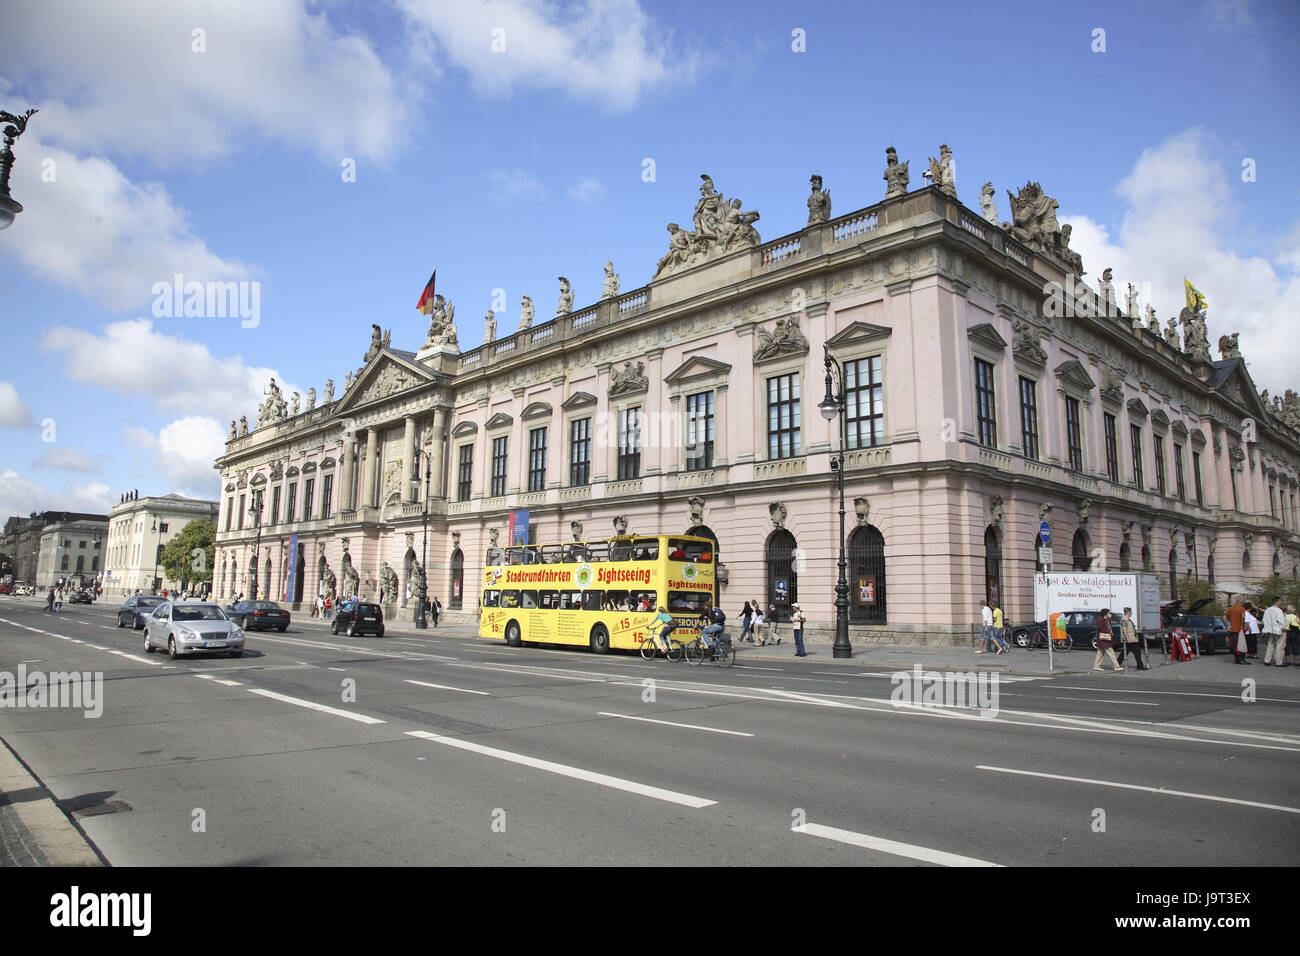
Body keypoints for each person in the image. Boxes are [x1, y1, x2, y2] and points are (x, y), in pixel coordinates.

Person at [1261, 596, 1287, 667]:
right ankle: (1278, 661)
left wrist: (1267, 628)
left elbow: (1264, 620)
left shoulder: (1268, 610)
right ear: (1277, 601)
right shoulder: (1278, 610)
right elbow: (1281, 621)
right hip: (1278, 629)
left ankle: (1267, 660)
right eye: (1280, 601)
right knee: (1280, 645)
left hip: (1269, 629)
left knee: (1270, 645)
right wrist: (1283, 627)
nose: (1281, 603)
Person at [1093, 607, 1120, 671]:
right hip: (1104, 640)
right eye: (1108, 613)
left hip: (1103, 640)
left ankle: (1096, 666)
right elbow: (1099, 628)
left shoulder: (1106, 620)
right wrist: (1105, 632)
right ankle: (1117, 666)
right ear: (1106, 614)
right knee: (1111, 653)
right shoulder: (1101, 620)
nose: (1109, 614)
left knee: (1100, 654)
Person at [1225, 598, 1248, 665]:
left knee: (1235, 646)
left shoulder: (1231, 609)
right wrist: (1242, 624)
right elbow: (1243, 617)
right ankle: (1241, 659)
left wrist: (1227, 625)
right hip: (1239, 629)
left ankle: (1236, 659)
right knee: (1241, 645)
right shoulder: (1242, 608)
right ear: (1242, 603)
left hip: (1232, 629)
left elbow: (1225, 616)